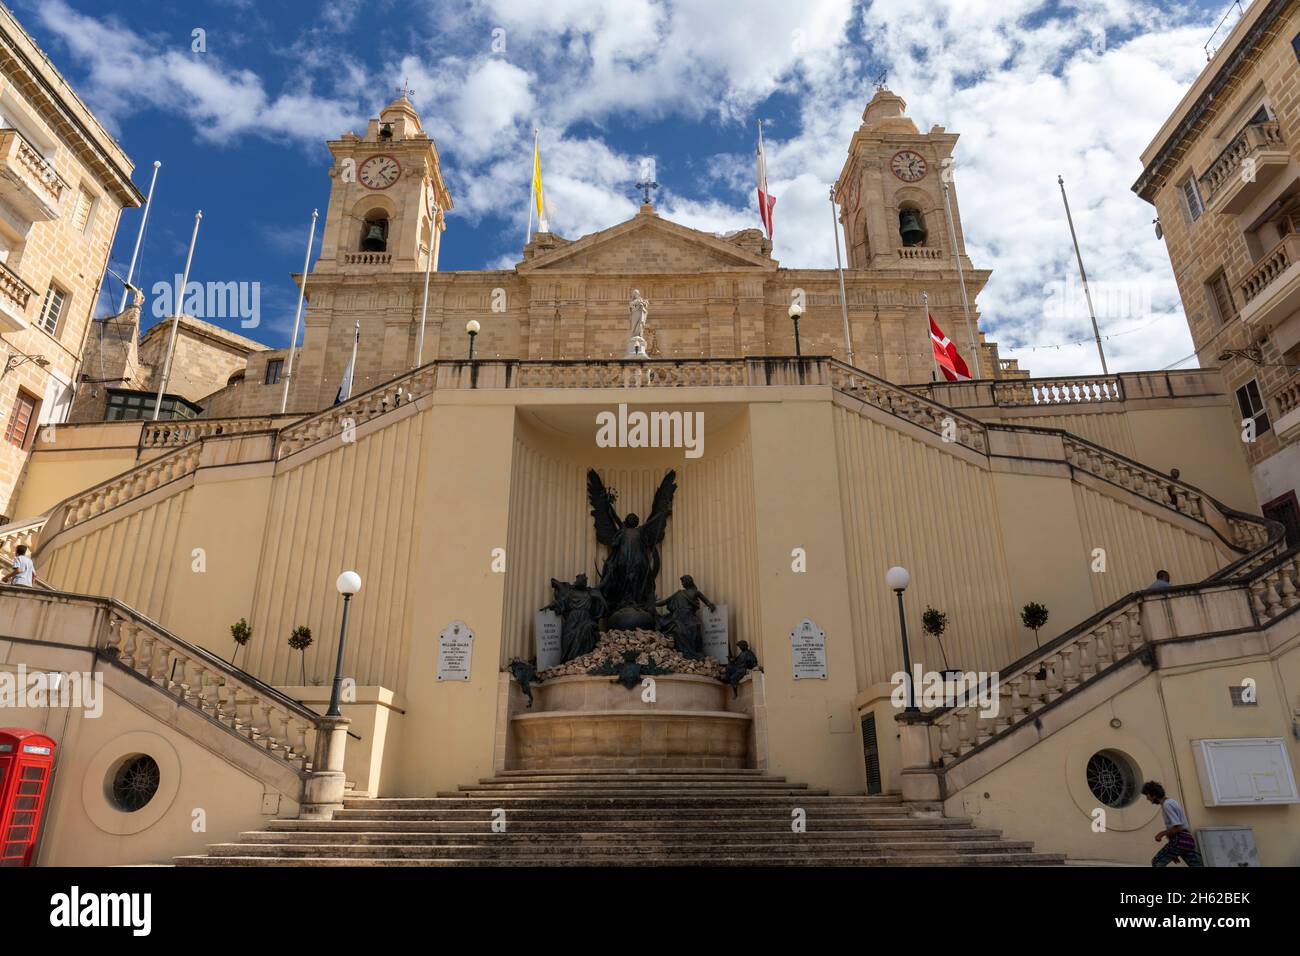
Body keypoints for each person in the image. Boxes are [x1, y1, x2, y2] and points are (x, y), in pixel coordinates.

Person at [1142, 780, 1202, 867]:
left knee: (1156, 863)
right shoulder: (1171, 802)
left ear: (1153, 795)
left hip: (1179, 840)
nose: (1147, 798)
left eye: (1147, 795)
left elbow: (1178, 828)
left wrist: (1161, 834)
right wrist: (1173, 852)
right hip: (1188, 840)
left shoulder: (1167, 805)